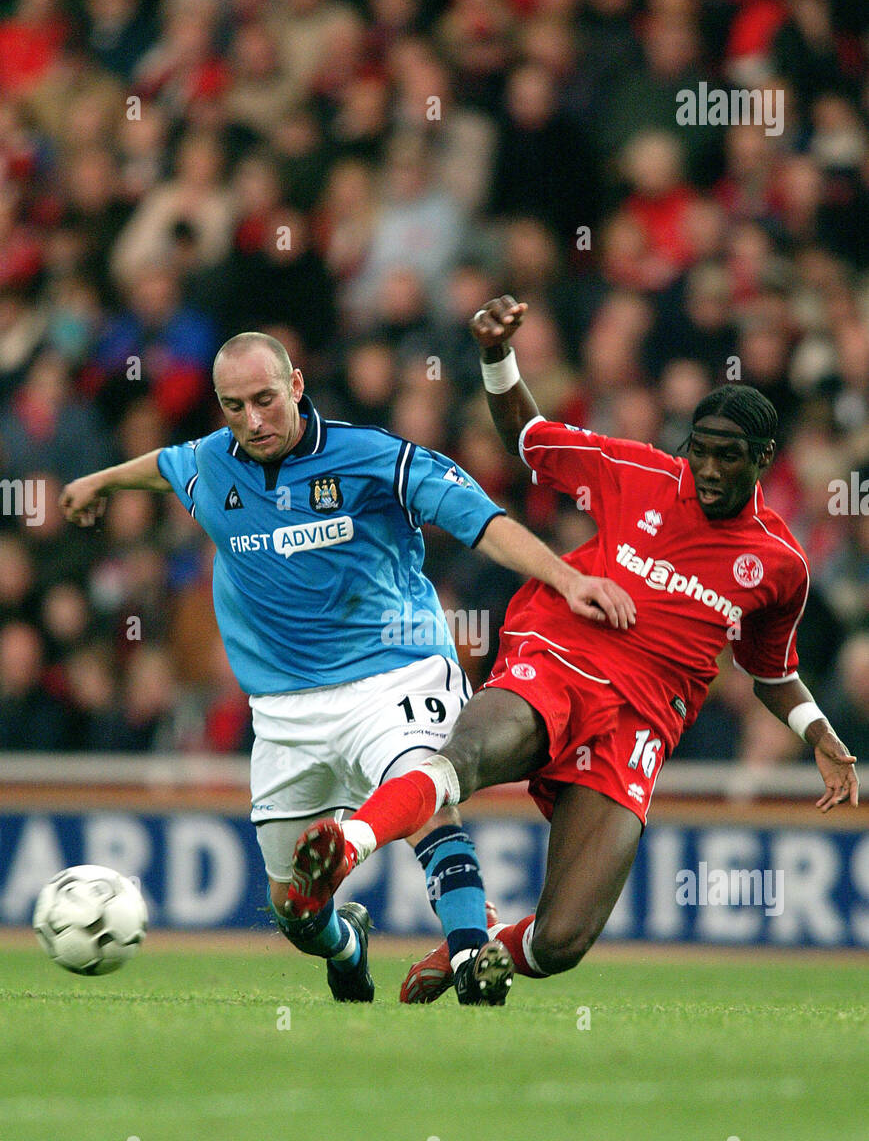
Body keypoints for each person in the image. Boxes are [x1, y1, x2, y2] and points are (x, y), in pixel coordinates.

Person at [284, 297, 860, 1001]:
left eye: (727, 458)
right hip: (560, 658)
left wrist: (818, 733)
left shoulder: (777, 565)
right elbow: (528, 436)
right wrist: (497, 356)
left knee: (562, 941)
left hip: (638, 724)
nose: (706, 470)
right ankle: (346, 849)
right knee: (461, 758)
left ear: (763, 460)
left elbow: (770, 670)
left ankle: (476, 948)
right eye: (698, 451)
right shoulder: (641, 473)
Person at [59, 330, 635, 1004]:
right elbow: (166, 464)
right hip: (282, 710)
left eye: (266, 399)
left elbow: (479, 518)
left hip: (394, 672)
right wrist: (100, 479)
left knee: (426, 799)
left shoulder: (370, 457)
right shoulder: (211, 464)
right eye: (234, 406)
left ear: (296, 385)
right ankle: (346, 943)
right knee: (295, 909)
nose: (253, 420)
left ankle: (472, 960)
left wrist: (566, 579)